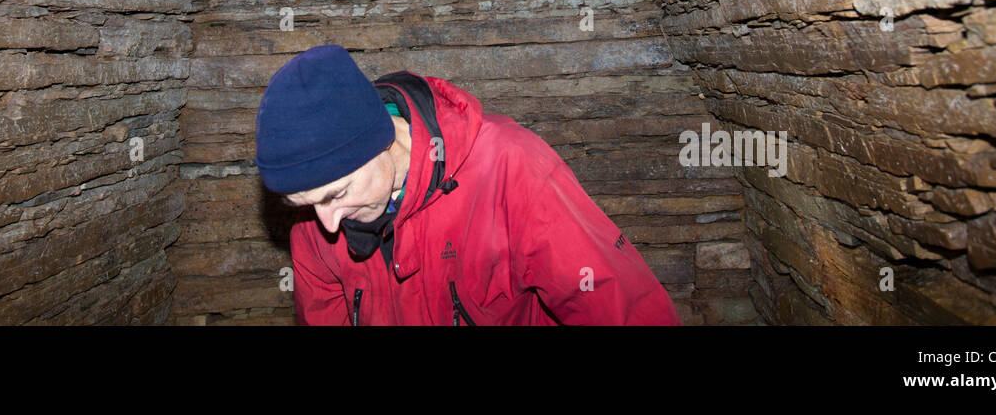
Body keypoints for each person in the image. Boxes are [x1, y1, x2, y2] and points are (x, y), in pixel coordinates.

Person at [255, 44, 682, 325]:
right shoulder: (316, 218)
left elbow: (619, 307)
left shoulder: (510, 168)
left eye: (338, 193)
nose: (325, 224)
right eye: (304, 204)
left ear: (380, 140)